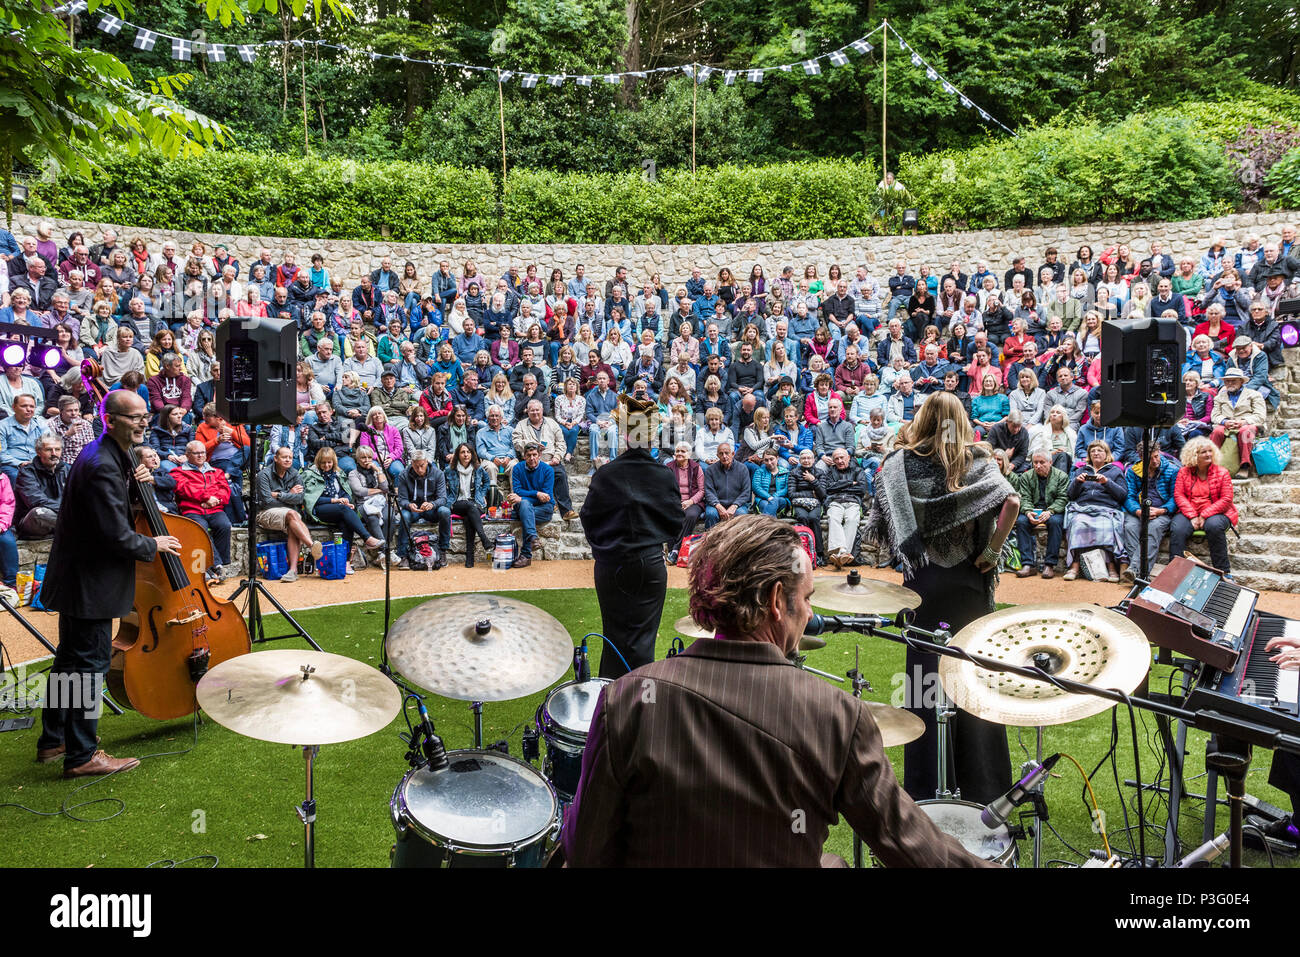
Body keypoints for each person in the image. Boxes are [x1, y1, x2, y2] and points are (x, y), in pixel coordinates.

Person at [562, 514, 992, 868]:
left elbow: (584, 850)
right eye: (805, 598)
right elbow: (912, 846)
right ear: (774, 601)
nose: (809, 613)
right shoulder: (837, 715)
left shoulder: (627, 698)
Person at [865, 391, 1019, 805]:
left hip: (923, 583)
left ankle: (925, 787)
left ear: (922, 419)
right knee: (974, 679)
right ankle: (984, 786)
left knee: (923, 685)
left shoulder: (899, 464)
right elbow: (1013, 501)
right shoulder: (978, 460)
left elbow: (886, 518)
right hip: (969, 583)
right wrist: (992, 551)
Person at [37, 390, 180, 777]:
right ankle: (82, 756)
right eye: (134, 417)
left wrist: (138, 483)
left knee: (69, 663)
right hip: (90, 585)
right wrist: (154, 543)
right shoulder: (101, 464)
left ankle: (55, 740)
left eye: (145, 416)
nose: (142, 422)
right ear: (110, 420)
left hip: (79, 580)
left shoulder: (113, 455)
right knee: (89, 667)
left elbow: (115, 507)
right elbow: (115, 536)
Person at [579, 395, 681, 677]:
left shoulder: (606, 474)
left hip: (611, 565)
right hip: (648, 566)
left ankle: (608, 704)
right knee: (643, 642)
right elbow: (675, 524)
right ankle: (640, 705)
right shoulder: (663, 475)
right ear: (651, 438)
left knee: (612, 638)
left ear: (625, 436)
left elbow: (588, 518)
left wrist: (605, 549)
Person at [303, 446, 384, 575]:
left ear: (334, 462)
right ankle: (367, 538)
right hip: (319, 509)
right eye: (323, 462)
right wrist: (335, 501)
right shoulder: (310, 474)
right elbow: (311, 499)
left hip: (339, 510)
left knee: (347, 522)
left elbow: (346, 493)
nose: (326, 465)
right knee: (343, 509)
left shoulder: (338, 473)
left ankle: (345, 563)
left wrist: (346, 501)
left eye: (329, 462)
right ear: (318, 462)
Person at [1170, 437, 1237, 575]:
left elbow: (1226, 499)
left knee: (1214, 526)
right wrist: (1193, 515)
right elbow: (1179, 495)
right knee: (1178, 528)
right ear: (1194, 455)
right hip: (1190, 512)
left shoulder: (1222, 472)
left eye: (1210, 451)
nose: (1208, 454)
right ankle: (1175, 572)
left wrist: (1204, 515)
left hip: (1217, 513)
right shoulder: (1183, 472)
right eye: (1203, 452)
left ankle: (1223, 572)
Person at [1062, 440, 1127, 582]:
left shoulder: (1115, 471)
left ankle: (1111, 567)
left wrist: (1107, 482)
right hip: (1083, 509)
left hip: (1106, 509)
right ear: (1089, 455)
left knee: (1107, 526)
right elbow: (1071, 495)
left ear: (1106, 454)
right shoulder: (1081, 470)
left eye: (1099, 450)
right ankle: (1075, 565)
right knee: (1078, 523)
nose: (1096, 453)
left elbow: (1122, 495)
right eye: (1093, 451)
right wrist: (1077, 482)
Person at [173, 440, 235, 582]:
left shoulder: (216, 472)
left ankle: (219, 565)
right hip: (192, 510)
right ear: (187, 455)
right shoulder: (178, 472)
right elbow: (184, 489)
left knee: (224, 525)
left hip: (214, 509)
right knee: (199, 529)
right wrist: (206, 497)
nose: (201, 456)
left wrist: (215, 500)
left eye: (203, 453)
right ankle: (214, 566)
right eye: (196, 453)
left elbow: (225, 490)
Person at [1119, 441, 1179, 582]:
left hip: (1162, 511)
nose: (1154, 460)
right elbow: (1129, 496)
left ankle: (1135, 570)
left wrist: (1161, 510)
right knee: (1130, 527)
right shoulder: (1134, 471)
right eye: (1150, 458)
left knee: (1153, 527)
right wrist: (1138, 511)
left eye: (1156, 456)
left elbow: (1175, 497)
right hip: (1139, 510)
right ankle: (1141, 574)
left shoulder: (1172, 470)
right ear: (1140, 457)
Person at [255, 445, 317, 583]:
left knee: (292, 519)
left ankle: (292, 571)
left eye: (290, 457)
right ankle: (311, 545)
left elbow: (300, 498)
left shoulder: (295, 474)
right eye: (284, 457)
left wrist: (279, 495)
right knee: (292, 514)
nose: (288, 460)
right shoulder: (263, 475)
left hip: (290, 514)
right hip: (265, 513)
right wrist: (289, 495)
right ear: (276, 458)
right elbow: (267, 502)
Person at [1009, 450, 1068, 578]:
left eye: (1042, 462)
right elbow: (1024, 498)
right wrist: (1028, 512)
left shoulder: (1061, 476)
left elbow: (1062, 499)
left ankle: (1049, 565)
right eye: (1035, 462)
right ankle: (1028, 564)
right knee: (1021, 521)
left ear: (1050, 462)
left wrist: (1050, 511)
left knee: (1056, 522)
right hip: (1033, 509)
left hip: (1052, 510)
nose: (1038, 465)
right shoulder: (1026, 476)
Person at [442, 443, 496, 568]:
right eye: (462, 452)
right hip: (456, 502)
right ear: (458, 455)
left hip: (474, 502)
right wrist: (447, 497)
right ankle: (484, 538)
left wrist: (482, 493)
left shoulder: (478, 468)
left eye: (468, 452)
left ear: (472, 454)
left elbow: (487, 482)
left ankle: (470, 556)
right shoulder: (449, 470)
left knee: (469, 517)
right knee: (470, 507)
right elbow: (442, 486)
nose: (466, 454)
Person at [1210, 366, 1267, 478]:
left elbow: (1260, 415)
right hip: (1227, 425)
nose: (1230, 383)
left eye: (1233, 381)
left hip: (1248, 424)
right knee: (1217, 432)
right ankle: (1211, 465)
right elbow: (1215, 415)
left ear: (1241, 381)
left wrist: (1244, 422)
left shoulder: (1254, 395)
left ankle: (1244, 466)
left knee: (1245, 431)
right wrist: (1224, 421)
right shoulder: (1219, 397)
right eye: (1227, 381)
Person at [395, 451, 450, 568]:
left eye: (422, 465)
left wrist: (432, 504)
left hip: (431, 509)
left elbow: (443, 498)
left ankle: (443, 550)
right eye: (416, 466)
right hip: (413, 510)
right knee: (404, 516)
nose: (419, 469)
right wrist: (409, 505)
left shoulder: (438, 473)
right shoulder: (404, 475)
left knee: (445, 511)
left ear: (427, 462)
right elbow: (402, 499)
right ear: (411, 464)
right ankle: (403, 555)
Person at [507, 442, 554, 568]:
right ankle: (533, 539)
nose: (532, 458)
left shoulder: (548, 470)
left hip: (544, 509)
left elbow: (546, 498)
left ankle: (526, 556)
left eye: (534, 455)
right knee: (525, 507)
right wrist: (537, 493)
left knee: (526, 510)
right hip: (523, 506)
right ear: (524, 456)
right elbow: (517, 490)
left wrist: (524, 497)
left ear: (540, 455)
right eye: (529, 455)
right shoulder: (517, 468)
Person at [14, 434, 68, 539]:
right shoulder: (27, 472)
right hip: (34, 520)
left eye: (57, 449)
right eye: (48, 450)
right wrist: (66, 510)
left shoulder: (66, 469)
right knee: (40, 513)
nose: (54, 453)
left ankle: (63, 529)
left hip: (61, 516)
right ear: (38, 452)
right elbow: (35, 500)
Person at [822, 447, 868, 568]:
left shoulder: (858, 471)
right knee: (833, 518)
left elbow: (861, 489)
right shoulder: (830, 472)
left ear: (848, 457)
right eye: (836, 458)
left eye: (842, 457)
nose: (840, 460)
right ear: (833, 460)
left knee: (852, 520)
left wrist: (838, 486)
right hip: (835, 501)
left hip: (853, 501)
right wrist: (849, 483)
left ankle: (840, 554)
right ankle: (844, 553)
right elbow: (828, 488)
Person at [662, 441, 705, 565]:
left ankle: (675, 549)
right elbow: (665, 489)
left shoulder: (696, 467)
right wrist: (675, 502)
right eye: (678, 451)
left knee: (691, 515)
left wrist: (690, 501)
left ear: (689, 454)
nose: (679, 453)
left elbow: (702, 490)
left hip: (693, 502)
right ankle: (673, 550)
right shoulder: (669, 467)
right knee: (670, 516)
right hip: (674, 502)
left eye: (683, 451)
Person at [703, 443, 751, 527]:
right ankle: (711, 539)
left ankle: (738, 540)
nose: (724, 456)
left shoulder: (743, 468)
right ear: (717, 455)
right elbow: (708, 492)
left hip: (738, 505)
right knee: (711, 514)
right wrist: (718, 506)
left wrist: (734, 506)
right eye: (721, 454)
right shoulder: (710, 470)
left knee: (741, 514)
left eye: (727, 453)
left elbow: (746, 492)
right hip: (716, 505)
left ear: (732, 454)